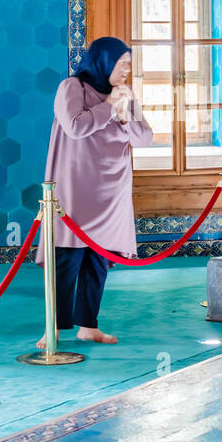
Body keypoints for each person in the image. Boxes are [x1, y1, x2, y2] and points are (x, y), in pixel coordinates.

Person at [37, 36, 153, 348]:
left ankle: (88, 325)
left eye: (129, 62)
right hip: (75, 189)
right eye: (122, 61)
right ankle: (55, 327)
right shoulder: (72, 87)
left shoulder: (124, 94)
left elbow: (145, 139)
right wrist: (109, 107)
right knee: (68, 260)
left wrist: (126, 111)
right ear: (104, 60)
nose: (128, 68)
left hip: (111, 192)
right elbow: (75, 126)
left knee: (98, 261)